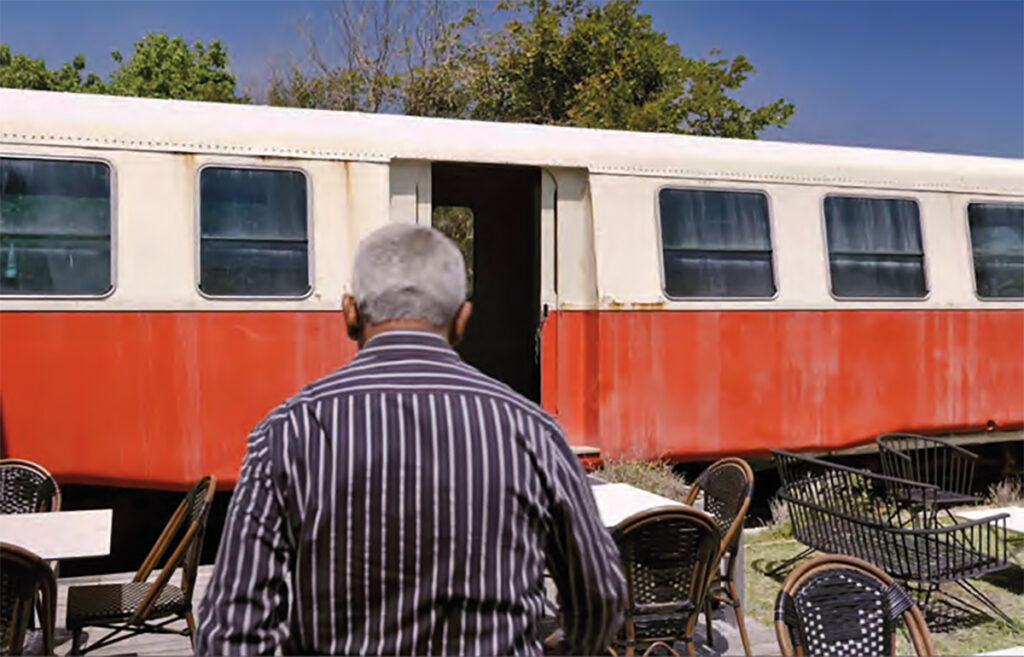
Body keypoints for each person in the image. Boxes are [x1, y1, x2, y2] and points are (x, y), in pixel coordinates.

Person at [196, 224, 625, 656]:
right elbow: (601, 598)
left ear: (350, 312)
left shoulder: (291, 430)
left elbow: (230, 633)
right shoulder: (534, 431)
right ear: (462, 318)